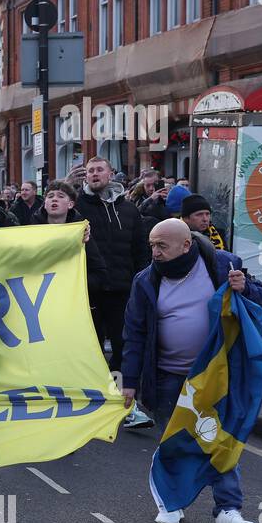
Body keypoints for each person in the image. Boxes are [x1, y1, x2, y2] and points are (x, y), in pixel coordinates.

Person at [122, 218, 262, 523]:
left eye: (162, 245)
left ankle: (228, 511)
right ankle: (172, 505)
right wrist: (129, 383)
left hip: (215, 378)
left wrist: (246, 288)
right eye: (152, 245)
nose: (155, 252)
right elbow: (134, 334)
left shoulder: (223, 266)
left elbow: (261, 299)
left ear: (186, 244)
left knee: (221, 440)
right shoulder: (145, 281)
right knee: (174, 443)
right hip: (167, 378)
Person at [74, 156, 154, 430]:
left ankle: (122, 405)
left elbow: (141, 250)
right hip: (89, 292)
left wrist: (142, 283)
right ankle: (91, 402)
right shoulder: (78, 207)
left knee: (123, 348)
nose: (94, 174)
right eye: (90, 171)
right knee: (90, 350)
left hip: (123, 291)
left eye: (99, 170)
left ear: (111, 174)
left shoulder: (129, 209)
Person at [33, 181, 107, 295]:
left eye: (60, 196)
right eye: (50, 196)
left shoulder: (82, 233)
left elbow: (99, 273)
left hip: (70, 297)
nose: (54, 199)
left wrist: (75, 283)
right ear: (45, 203)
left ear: (70, 204)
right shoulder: (31, 230)